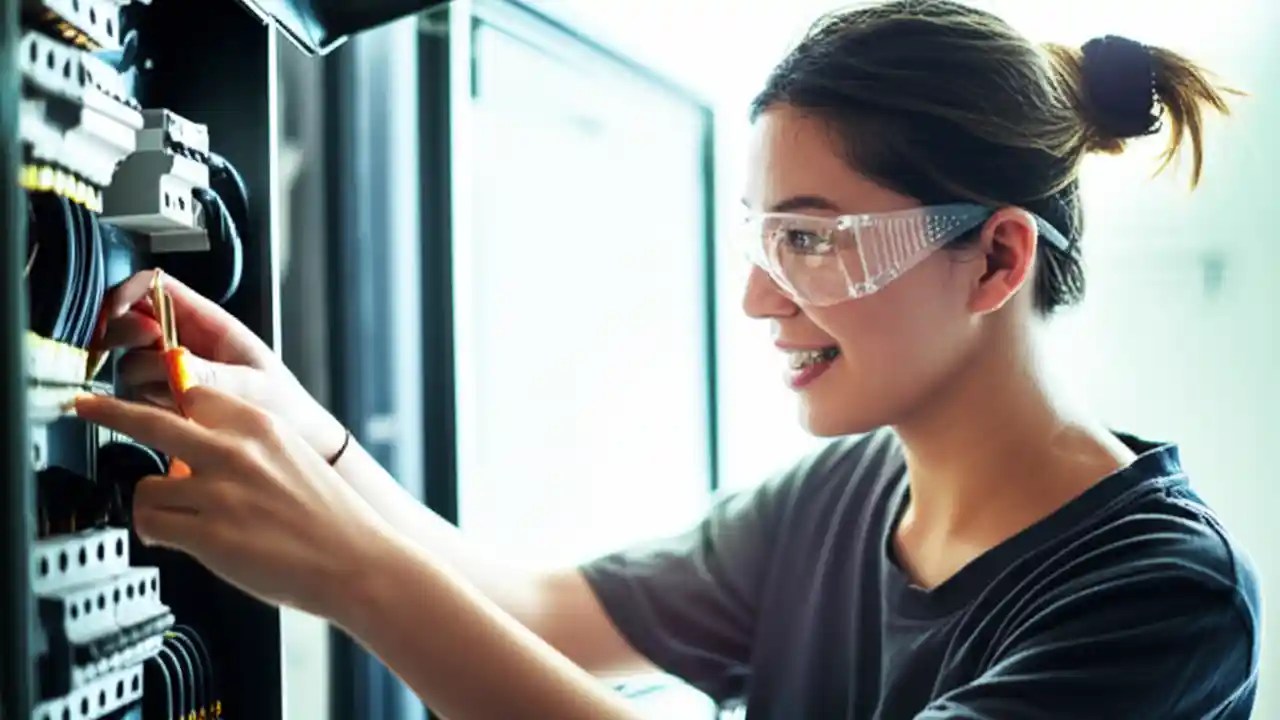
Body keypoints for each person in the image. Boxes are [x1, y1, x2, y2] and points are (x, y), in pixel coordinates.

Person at [76, 1, 1261, 718]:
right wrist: (310, 438)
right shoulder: (851, 490)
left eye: (808, 240)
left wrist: (353, 574)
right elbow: (543, 615)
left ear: (995, 261)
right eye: (759, 238)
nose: (757, 295)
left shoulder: (1158, 601)